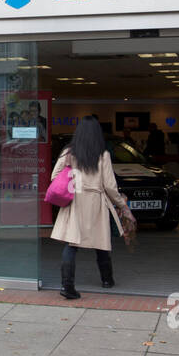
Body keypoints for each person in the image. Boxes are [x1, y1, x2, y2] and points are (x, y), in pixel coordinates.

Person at [49, 115, 128, 299]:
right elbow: (109, 185)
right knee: (101, 241)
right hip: (95, 202)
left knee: (72, 243)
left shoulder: (69, 151)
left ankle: (66, 285)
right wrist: (121, 204)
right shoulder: (103, 154)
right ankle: (107, 280)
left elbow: (55, 176)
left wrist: (71, 182)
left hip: (74, 200)